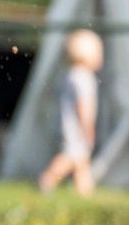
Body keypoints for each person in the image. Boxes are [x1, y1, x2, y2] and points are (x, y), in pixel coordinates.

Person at [37, 28, 100, 195]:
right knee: (70, 157)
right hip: (76, 128)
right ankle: (48, 179)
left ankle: (85, 192)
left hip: (69, 126)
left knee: (81, 162)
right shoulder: (84, 78)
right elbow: (83, 105)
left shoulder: (72, 75)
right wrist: (87, 127)